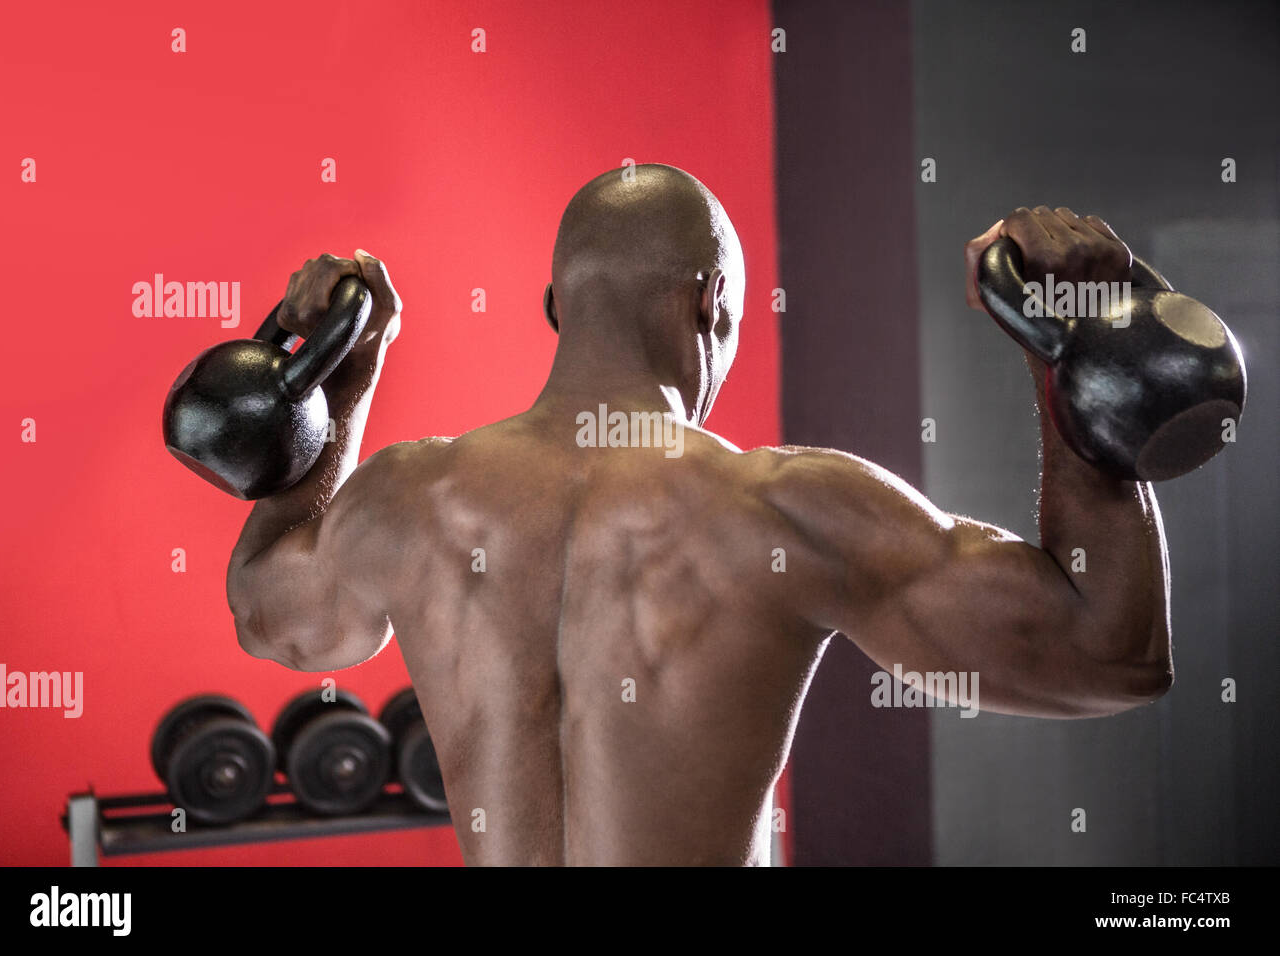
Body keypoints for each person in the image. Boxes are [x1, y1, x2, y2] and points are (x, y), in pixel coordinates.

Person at [226, 164, 1171, 865]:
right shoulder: (785, 510)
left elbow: (271, 617)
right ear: (711, 302)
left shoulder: (408, 497)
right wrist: (1074, 352)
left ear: (558, 306)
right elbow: (1107, 654)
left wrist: (337, 391)